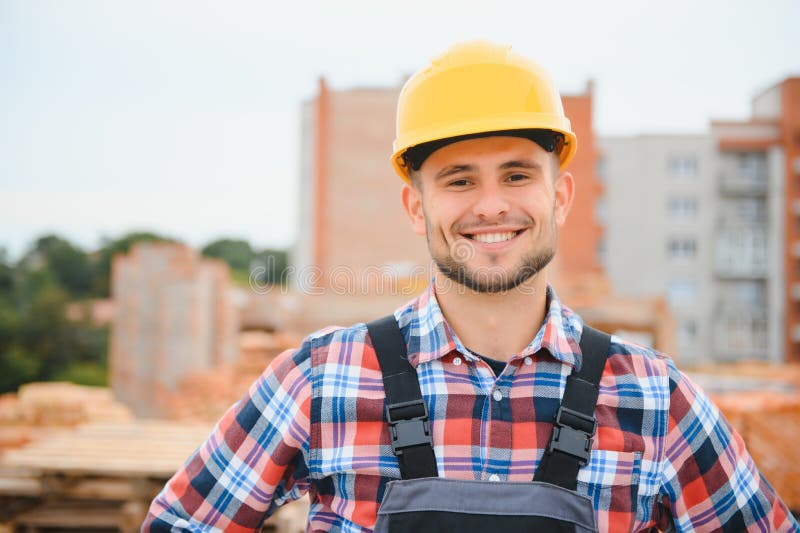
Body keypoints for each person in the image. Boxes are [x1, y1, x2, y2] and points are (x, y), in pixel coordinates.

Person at [142, 41, 798, 532]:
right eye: (459, 179)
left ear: (560, 194)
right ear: (415, 206)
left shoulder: (655, 399)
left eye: (516, 174)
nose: (490, 206)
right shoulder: (322, 381)